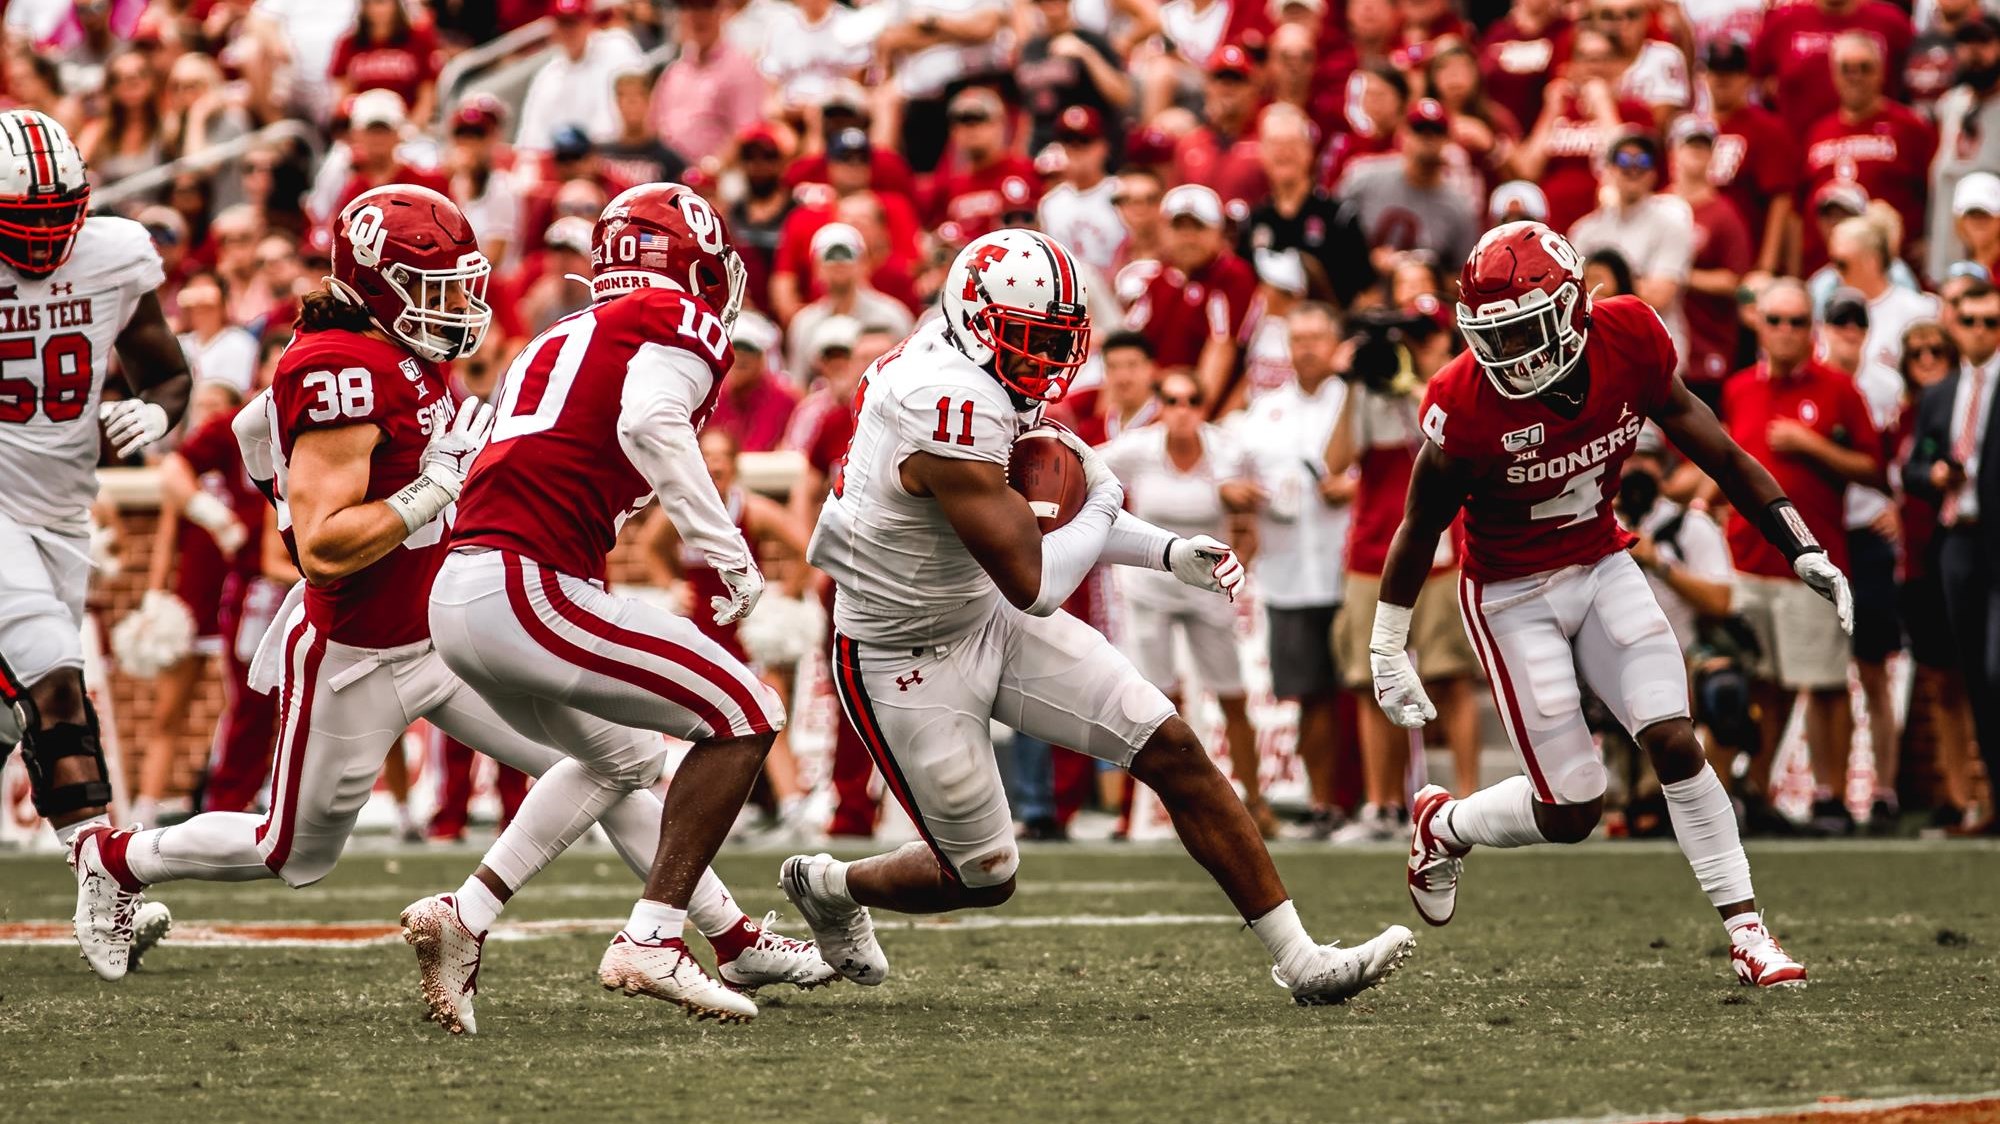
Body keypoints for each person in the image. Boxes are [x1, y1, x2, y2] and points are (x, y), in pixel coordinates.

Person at [74, 187, 825, 1027]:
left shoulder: (398, 352)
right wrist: (428, 487)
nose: (458, 307)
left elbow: (257, 432)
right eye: (435, 289)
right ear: (379, 286)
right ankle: (116, 858)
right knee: (291, 851)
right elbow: (321, 543)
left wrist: (292, 477)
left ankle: (726, 935)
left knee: (617, 760)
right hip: (359, 646)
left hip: (443, 626)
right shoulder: (335, 369)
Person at [787, 227, 1416, 1004]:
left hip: (984, 609)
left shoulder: (970, 370)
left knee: (1174, 749)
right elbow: (1038, 579)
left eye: (1057, 341)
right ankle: (832, 884)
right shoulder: (940, 401)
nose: (1045, 362)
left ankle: (1302, 958)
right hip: (903, 649)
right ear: (975, 322)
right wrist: (1112, 497)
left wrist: (1163, 549)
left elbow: (1039, 529)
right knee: (983, 877)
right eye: (1026, 341)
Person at [1373, 223, 1845, 987]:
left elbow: (1720, 453)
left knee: (1673, 738)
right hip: (1509, 593)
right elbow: (1419, 525)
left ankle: (1748, 932)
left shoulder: (1630, 336)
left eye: (1526, 329)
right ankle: (1446, 824)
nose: (1513, 354)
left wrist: (1802, 545)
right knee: (1574, 811)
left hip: (1600, 562)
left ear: (1571, 309)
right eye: (1495, 337)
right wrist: (1387, 645)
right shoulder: (1462, 398)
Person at [412, 183, 810, 1028]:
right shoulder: (678, 318)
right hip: (529, 583)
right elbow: (652, 424)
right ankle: (652, 941)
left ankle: (468, 916)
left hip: (465, 589)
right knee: (745, 710)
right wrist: (727, 547)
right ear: (689, 261)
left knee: (624, 759)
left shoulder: (561, 334)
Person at [0, 110, 191, 981]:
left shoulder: (115, 252)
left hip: (62, 513)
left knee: (16, 718)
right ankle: (102, 877)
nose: (42, 236)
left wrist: (154, 411)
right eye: (21, 219)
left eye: (56, 215)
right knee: (54, 670)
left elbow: (166, 369)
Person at [1721, 281, 1886, 837]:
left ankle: (1834, 799)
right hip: (1748, 558)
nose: (1787, 331)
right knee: (1762, 685)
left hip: (1812, 558)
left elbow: (1874, 468)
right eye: (1776, 320)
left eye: (1797, 321)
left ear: (1810, 327)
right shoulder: (1739, 388)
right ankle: (1759, 792)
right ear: (1758, 325)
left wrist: (1811, 446)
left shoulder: (1837, 389)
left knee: (1824, 682)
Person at [1326, 299, 1483, 833]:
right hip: (1373, 549)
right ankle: (1382, 802)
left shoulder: (1451, 386)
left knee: (1450, 677)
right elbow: (1335, 460)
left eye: (1422, 336)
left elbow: (1460, 438)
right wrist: (1354, 381)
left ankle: (1469, 797)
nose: (1411, 348)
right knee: (1373, 679)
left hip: (1438, 552)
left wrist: (1412, 384)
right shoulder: (1369, 388)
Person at [1101, 370, 1272, 837]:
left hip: (1205, 588)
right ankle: (1147, 811)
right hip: (1150, 587)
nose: (1182, 410)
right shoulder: (1137, 448)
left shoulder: (1228, 450)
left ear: (1202, 405)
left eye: (1192, 400)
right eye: (1172, 400)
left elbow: (1254, 522)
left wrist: (1237, 562)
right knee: (1153, 700)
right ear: (1160, 404)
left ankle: (1256, 804)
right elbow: (1084, 471)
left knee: (1232, 695)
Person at [1238, 302, 1353, 837]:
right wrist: (1236, 492)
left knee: (1366, 689)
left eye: (1316, 337)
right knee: (1309, 693)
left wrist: (1354, 486)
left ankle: (1383, 803)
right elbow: (1231, 466)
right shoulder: (1265, 409)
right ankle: (1325, 802)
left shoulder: (1355, 399)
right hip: (1288, 571)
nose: (1306, 347)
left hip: (1350, 565)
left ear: (1334, 343)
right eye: (1298, 338)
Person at [1902, 280, 2000, 836]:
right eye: (1971, 321)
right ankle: (1992, 808)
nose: (1981, 331)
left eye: (1991, 321)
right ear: (1955, 324)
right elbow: (1915, 467)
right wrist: (1936, 474)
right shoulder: (1941, 394)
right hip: (1957, 540)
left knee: (1995, 667)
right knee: (1973, 677)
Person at [1894, 320, 1981, 830]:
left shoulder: (1975, 410)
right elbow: (1900, 475)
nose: (1927, 359)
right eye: (1916, 352)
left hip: (1968, 550)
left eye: (1937, 350)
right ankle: (1956, 794)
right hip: (1919, 558)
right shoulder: (1905, 417)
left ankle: (1981, 792)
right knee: (1942, 681)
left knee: (1980, 676)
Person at [1568, 130, 1695, 372]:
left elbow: (1659, 297)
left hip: (1655, 355)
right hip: (1598, 355)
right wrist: (1630, 284)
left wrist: (1598, 283)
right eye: (1624, 160)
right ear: (1609, 169)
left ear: (1655, 172)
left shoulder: (1672, 223)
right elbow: (1570, 299)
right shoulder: (1585, 230)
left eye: (1644, 161)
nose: (1633, 168)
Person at [1127, 185, 1257, 409]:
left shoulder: (1231, 276)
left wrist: (1195, 413)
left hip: (1194, 408)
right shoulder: (1160, 279)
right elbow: (1127, 343)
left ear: (1219, 231)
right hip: (1155, 399)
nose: (1188, 237)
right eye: (1179, 227)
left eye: (1198, 227)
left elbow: (1221, 349)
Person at [1338, 99, 1482, 276]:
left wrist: (1423, 274)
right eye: (1419, 130)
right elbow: (1332, 239)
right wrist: (1366, 259)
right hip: (1360, 290)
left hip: (1424, 299)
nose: (1427, 139)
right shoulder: (1363, 179)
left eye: (1436, 132)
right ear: (1402, 134)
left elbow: (1463, 276)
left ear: (1448, 140)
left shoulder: (1459, 206)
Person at [516, 0, 645, 151]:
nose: (569, 30)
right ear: (554, 28)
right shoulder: (547, 76)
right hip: (565, 161)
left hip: (616, 152)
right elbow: (531, 138)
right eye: (563, 23)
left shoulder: (618, 47)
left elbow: (639, 103)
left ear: (589, 21)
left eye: (574, 22)